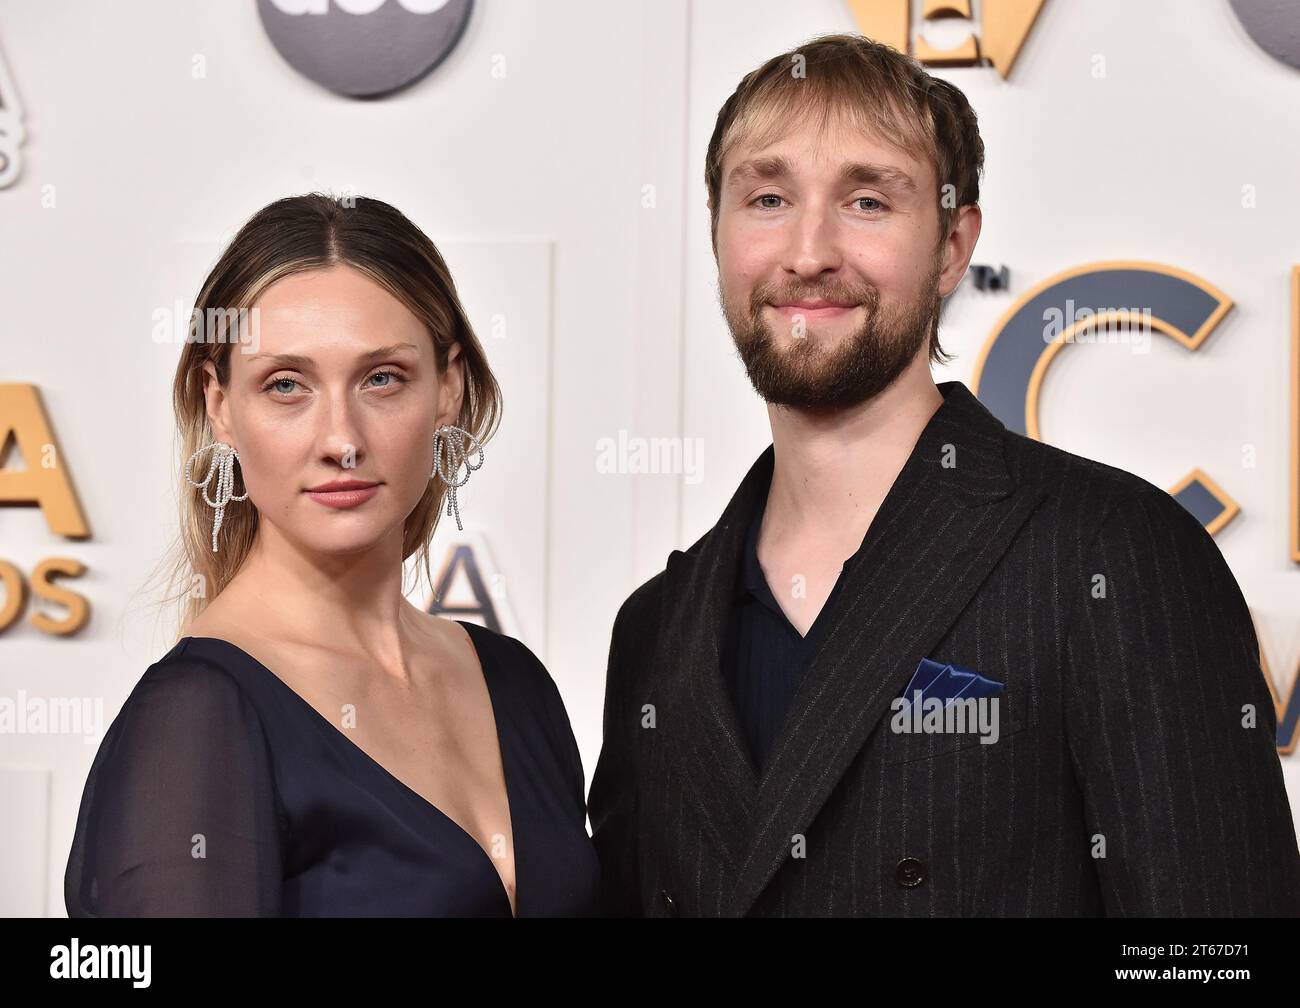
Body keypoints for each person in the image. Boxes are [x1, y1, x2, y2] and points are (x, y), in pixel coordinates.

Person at [587, 33, 1300, 917]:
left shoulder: (1114, 554)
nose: (808, 251)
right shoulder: (654, 632)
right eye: (767, 197)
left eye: (867, 202)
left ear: (953, 246)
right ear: (719, 234)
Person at [65, 193, 600, 917]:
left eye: (382, 378)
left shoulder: (516, 685)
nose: (341, 438)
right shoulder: (195, 721)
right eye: (286, 385)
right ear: (220, 406)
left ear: (449, 388)